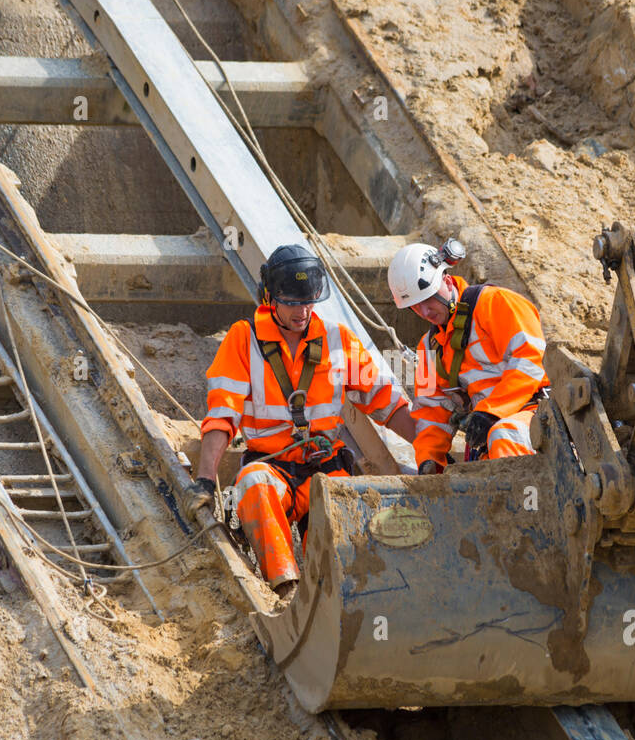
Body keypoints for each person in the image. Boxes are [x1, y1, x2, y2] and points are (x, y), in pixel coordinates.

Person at [187, 244, 416, 599]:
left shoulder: (338, 340)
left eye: (309, 301)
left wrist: (435, 449)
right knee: (253, 483)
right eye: (293, 302)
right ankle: (285, 590)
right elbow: (222, 414)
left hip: (325, 471)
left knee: (343, 536)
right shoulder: (242, 340)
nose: (303, 311)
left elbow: (387, 404)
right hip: (273, 467)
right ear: (270, 297)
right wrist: (204, 480)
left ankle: (337, 594)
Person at [388, 240, 549, 474]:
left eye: (428, 299)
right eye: (414, 306)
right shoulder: (429, 348)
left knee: (504, 435)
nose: (424, 312)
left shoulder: (495, 303)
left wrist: (491, 411)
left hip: (535, 417)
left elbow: (530, 361)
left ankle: (529, 509)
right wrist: (429, 461)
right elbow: (431, 412)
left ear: (446, 279)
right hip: (490, 435)